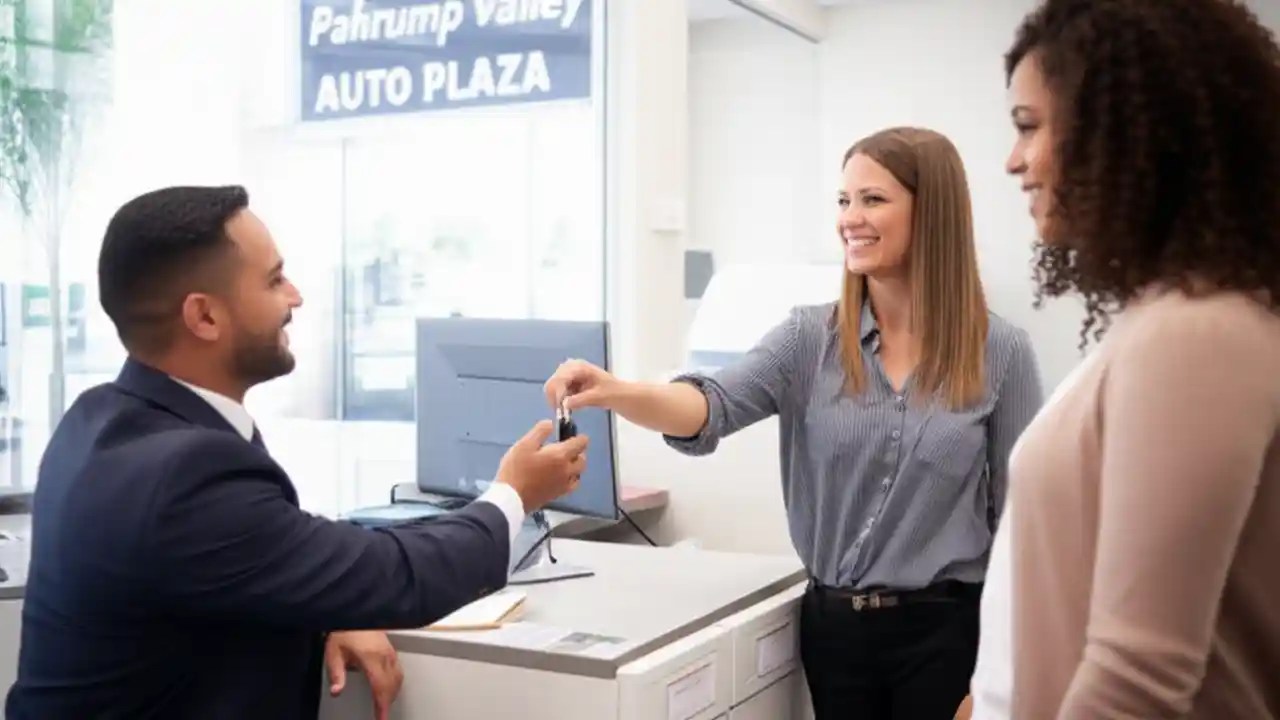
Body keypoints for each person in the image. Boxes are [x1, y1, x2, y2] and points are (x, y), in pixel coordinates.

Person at [5, 185, 589, 720]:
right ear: (204, 315)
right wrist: (513, 494)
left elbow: (230, 573)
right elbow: (394, 576)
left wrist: (321, 608)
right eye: (274, 280)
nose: (296, 296)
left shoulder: (99, 421)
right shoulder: (182, 476)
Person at [544, 127, 1043, 719]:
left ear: (932, 212)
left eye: (873, 199)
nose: (850, 218)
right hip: (836, 635)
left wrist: (1000, 680)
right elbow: (712, 405)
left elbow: (1027, 533)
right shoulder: (810, 339)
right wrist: (615, 391)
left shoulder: (1002, 353)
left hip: (950, 634)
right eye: (843, 200)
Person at [971, 1, 1280, 718]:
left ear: (1127, 132)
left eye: (1028, 126)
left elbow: (1135, 678)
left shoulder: (1201, 331)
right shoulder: (1177, 318)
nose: (1013, 160)